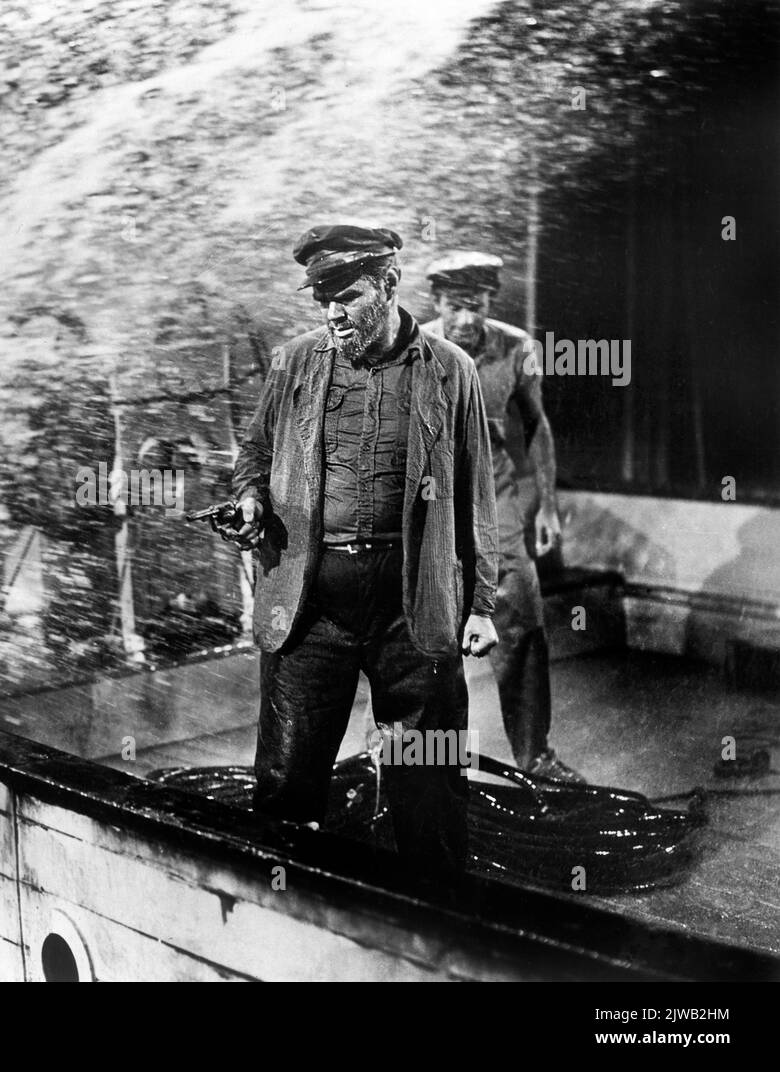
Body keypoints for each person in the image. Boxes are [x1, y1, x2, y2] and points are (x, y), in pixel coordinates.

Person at [222, 222, 500, 881]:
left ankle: (436, 931)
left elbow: (476, 492)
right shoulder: (294, 362)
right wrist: (251, 500)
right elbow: (253, 459)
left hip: (413, 600)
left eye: (345, 296)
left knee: (428, 789)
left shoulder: (451, 371)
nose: (332, 313)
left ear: (388, 284)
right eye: (321, 300)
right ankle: (283, 924)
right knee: (287, 784)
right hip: (311, 602)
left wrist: (483, 602)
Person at [421, 252, 584, 783]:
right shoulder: (412, 349)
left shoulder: (517, 348)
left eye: (476, 305)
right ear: (437, 304)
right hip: (430, 511)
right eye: (454, 307)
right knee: (427, 639)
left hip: (498, 507)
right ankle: (433, 763)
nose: (465, 319)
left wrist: (549, 507)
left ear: (490, 302)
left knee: (524, 628)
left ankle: (536, 757)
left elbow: (537, 427)